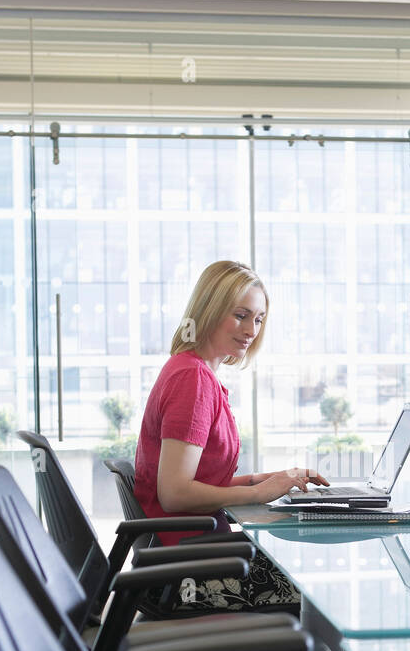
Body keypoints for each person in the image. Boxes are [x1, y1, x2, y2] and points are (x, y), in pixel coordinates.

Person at [134, 258, 328, 611]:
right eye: (240, 315)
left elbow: (200, 478)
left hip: (199, 556)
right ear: (209, 309)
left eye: (258, 319)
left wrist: (266, 479)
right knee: (323, 597)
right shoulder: (192, 380)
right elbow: (175, 493)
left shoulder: (195, 372)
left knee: (312, 579)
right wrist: (256, 493)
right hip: (191, 575)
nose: (251, 329)